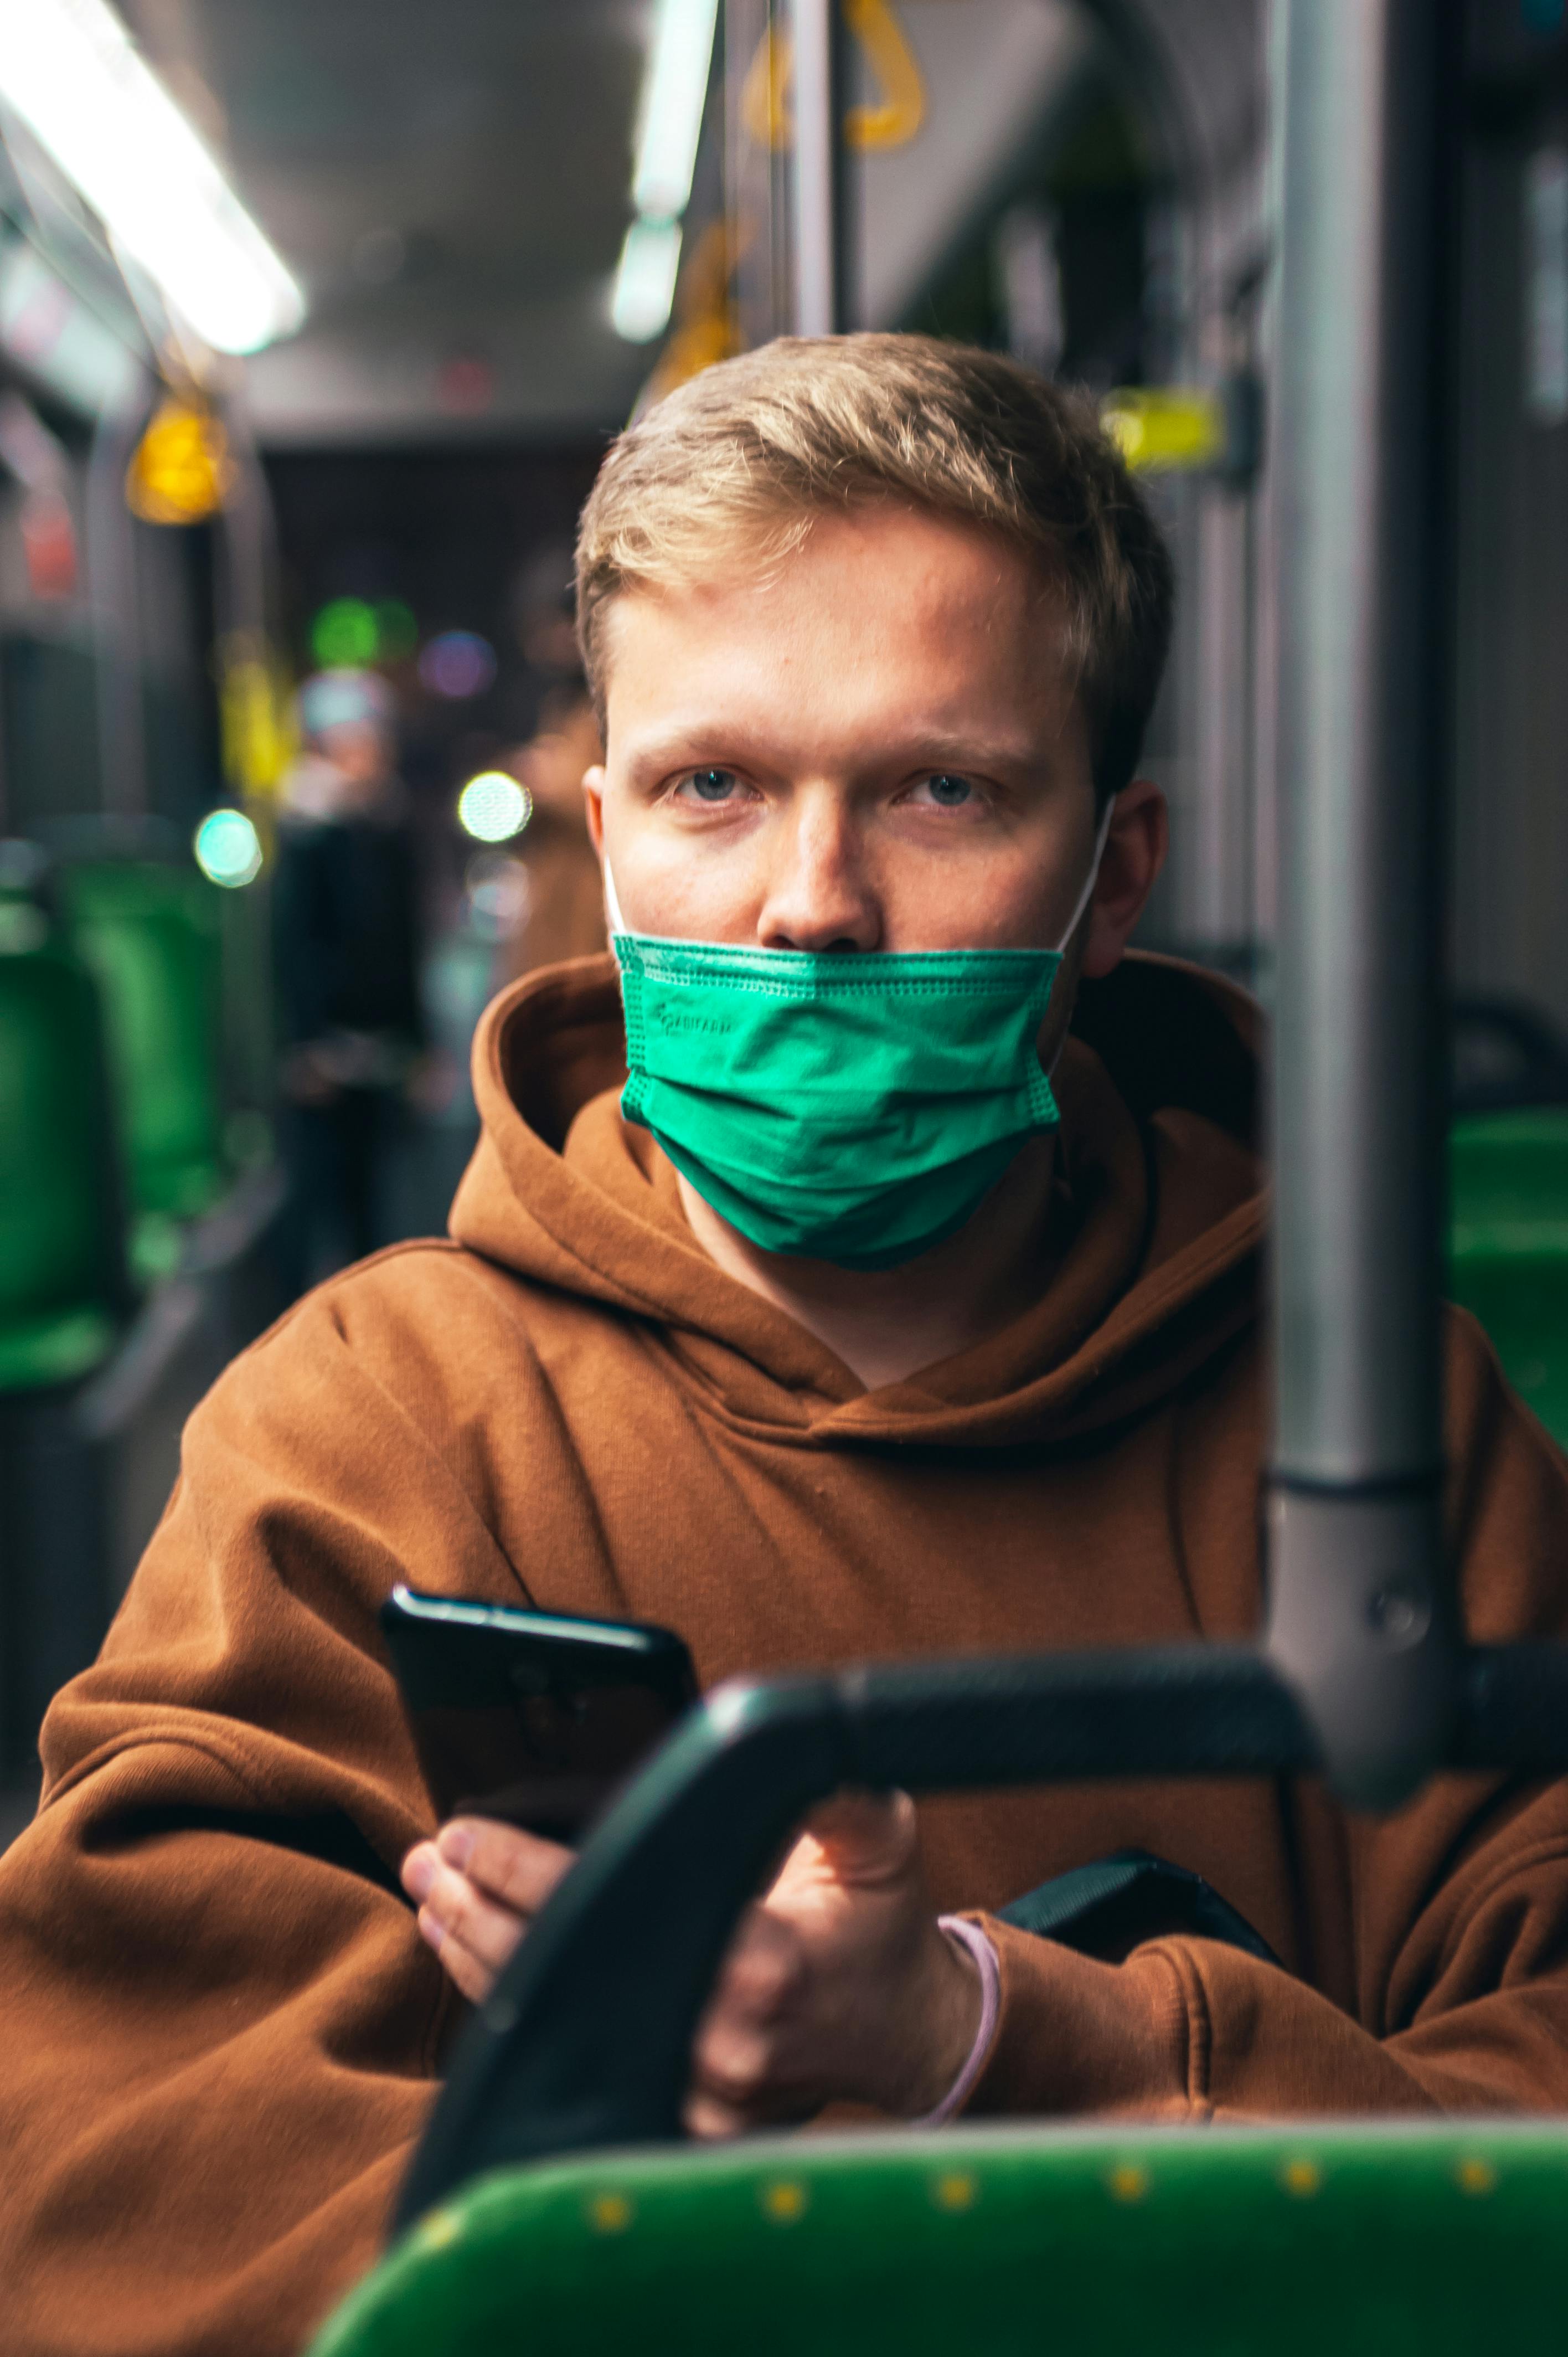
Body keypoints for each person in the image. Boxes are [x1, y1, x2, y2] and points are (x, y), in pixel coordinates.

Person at [5, 335, 1568, 2356]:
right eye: (714, 786)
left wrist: (1008, 2031)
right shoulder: (369, 1429)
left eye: (940, 786)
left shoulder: (1376, 1427)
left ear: (1115, 876)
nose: (807, 903)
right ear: (608, 830)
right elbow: (104, 2174)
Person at [271, 668, 429, 1296]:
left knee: (379, 1197)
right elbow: (291, 948)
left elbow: (407, 940)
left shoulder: (388, 824)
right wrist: (303, 1044)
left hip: (382, 1043)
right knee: (317, 1199)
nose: (369, 749)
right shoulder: (306, 829)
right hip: (327, 1049)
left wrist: (419, 1040)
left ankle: (376, 1319)